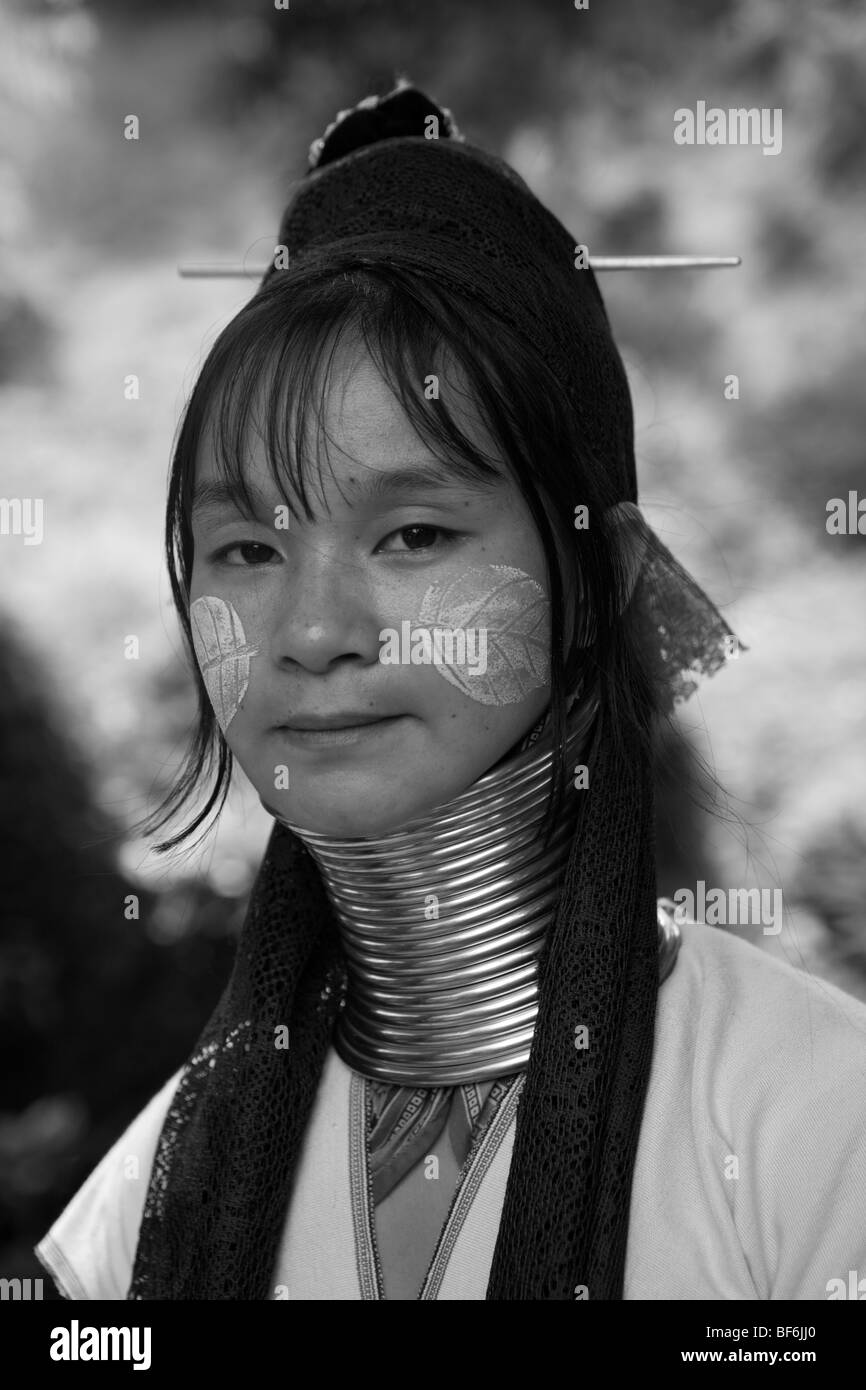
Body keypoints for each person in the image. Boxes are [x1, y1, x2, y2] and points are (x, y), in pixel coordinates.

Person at [36, 81, 866, 1301]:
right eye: (250, 552)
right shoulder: (150, 1202)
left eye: (414, 535)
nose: (311, 632)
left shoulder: (817, 1126)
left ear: (598, 579)